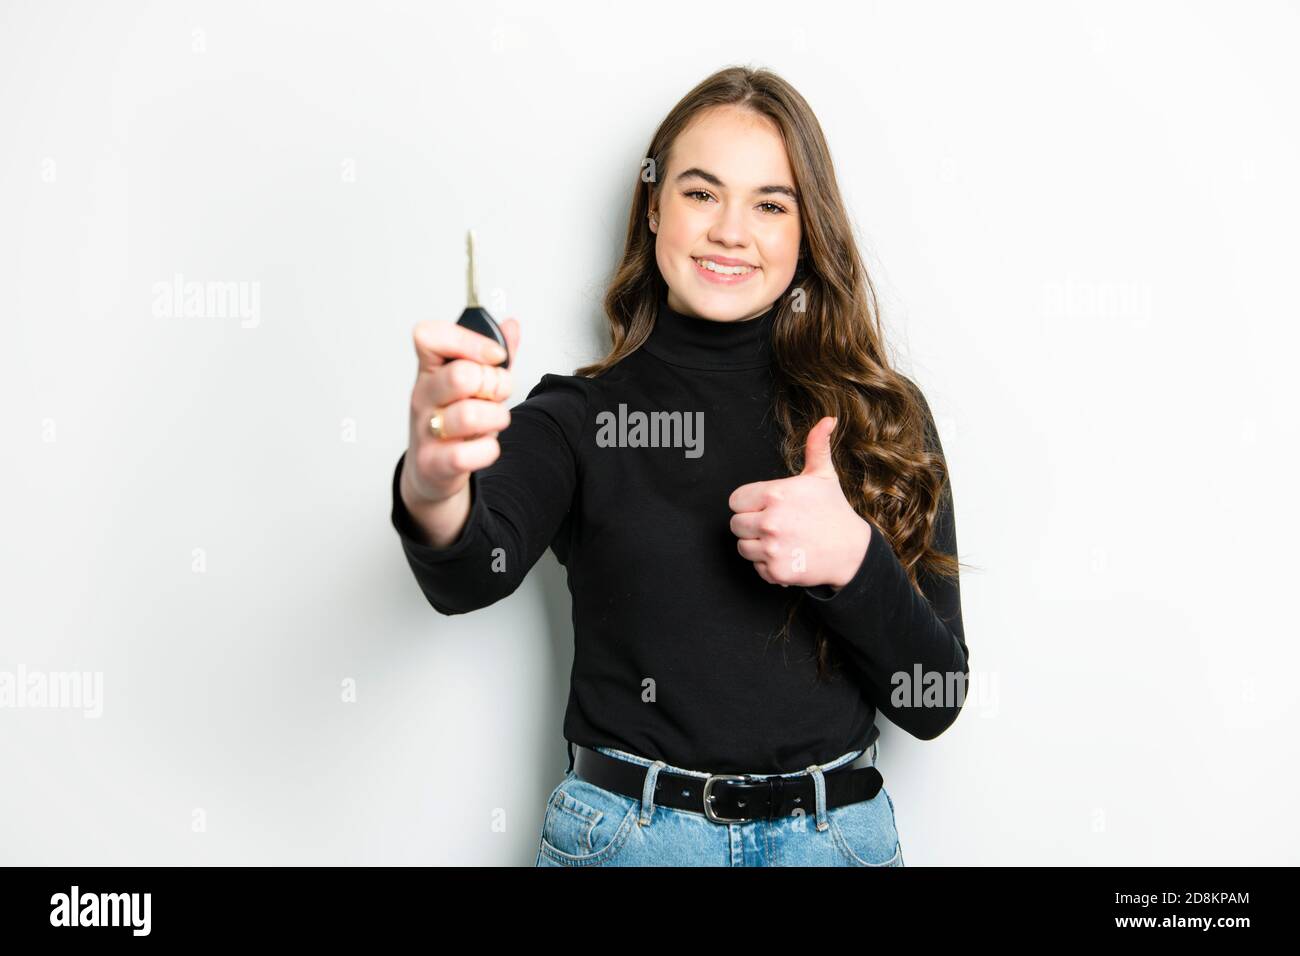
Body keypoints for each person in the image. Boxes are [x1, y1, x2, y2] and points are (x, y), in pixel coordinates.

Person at [391, 66, 969, 867]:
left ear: (807, 233)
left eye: (770, 204)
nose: (732, 230)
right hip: (631, 842)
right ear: (654, 206)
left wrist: (851, 563)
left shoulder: (881, 417)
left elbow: (933, 700)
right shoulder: (576, 418)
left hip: (834, 844)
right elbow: (464, 575)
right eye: (701, 194)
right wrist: (432, 481)